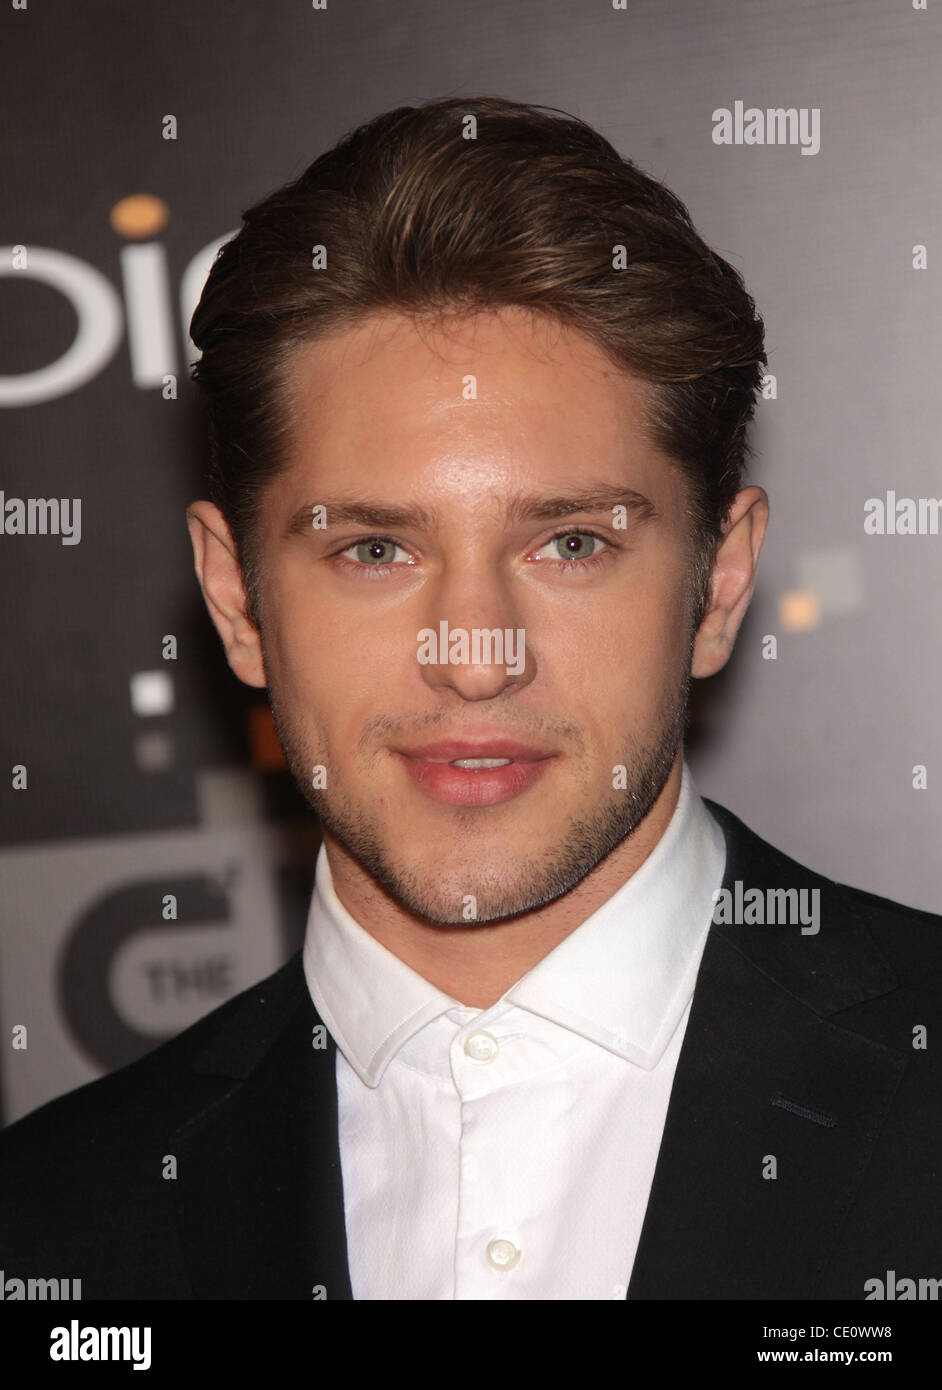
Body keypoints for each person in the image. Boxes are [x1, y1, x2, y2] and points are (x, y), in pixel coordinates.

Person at [1, 96, 939, 1301]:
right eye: (376, 551)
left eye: (573, 544)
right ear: (237, 601)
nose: (477, 652)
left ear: (720, 583)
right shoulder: (50, 1232)